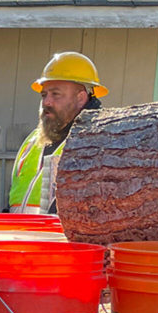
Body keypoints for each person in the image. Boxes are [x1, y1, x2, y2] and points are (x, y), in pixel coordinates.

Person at [8, 51, 108, 214]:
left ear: (81, 98)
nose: (46, 102)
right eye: (44, 95)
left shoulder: (97, 143)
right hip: (21, 231)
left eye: (56, 94)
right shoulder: (32, 141)